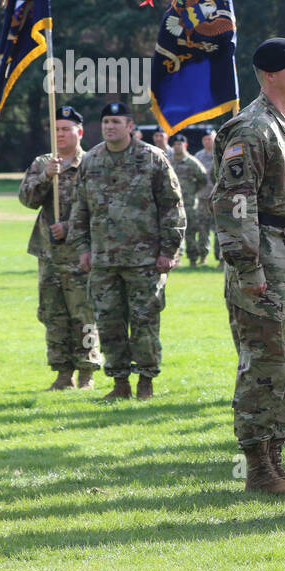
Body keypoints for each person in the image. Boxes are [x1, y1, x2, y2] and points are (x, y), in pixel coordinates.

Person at [211, 38, 285, 496]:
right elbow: (234, 203)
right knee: (265, 366)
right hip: (267, 263)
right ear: (272, 74)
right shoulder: (252, 128)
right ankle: (257, 467)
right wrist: (247, 266)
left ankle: (274, 460)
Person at [69, 102, 184, 401]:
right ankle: (119, 383)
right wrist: (83, 249)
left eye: (116, 122)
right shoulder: (91, 161)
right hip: (104, 261)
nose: (109, 126)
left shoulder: (152, 159)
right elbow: (79, 210)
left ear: (130, 126)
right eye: (106, 121)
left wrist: (168, 250)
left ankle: (146, 380)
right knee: (109, 324)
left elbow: (173, 207)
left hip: (145, 260)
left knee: (145, 323)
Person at [18, 105, 98, 390]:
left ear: (79, 132)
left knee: (84, 314)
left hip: (81, 253)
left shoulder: (91, 163)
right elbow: (27, 200)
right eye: (56, 130)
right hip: (49, 254)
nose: (60, 134)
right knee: (53, 314)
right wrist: (45, 177)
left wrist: (71, 228)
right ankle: (63, 373)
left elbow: (100, 208)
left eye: (66, 129)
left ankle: (87, 370)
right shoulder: (43, 162)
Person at [168, 133, 211, 267]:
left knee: (191, 232)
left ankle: (194, 259)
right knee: (173, 232)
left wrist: (193, 191)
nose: (177, 147)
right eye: (175, 144)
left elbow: (203, 179)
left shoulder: (192, 162)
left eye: (180, 144)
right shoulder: (168, 161)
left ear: (185, 145)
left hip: (189, 204)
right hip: (172, 204)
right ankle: (176, 258)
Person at [194, 130, 218, 263]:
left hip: (217, 198)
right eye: (205, 139)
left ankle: (221, 258)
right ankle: (203, 256)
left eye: (210, 139)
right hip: (203, 198)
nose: (207, 142)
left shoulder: (220, 154)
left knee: (219, 230)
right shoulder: (198, 156)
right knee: (202, 229)